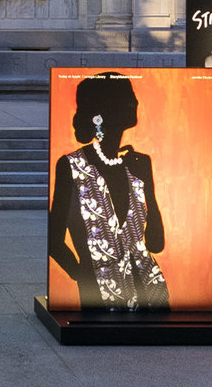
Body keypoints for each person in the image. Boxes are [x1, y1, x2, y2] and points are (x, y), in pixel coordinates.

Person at [47, 72, 169, 310]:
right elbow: (54, 240)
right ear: (101, 112)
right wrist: (82, 275)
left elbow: (156, 244)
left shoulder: (139, 163)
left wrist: (148, 187)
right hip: (101, 296)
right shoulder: (72, 165)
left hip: (153, 294)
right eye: (126, 98)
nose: (135, 102)